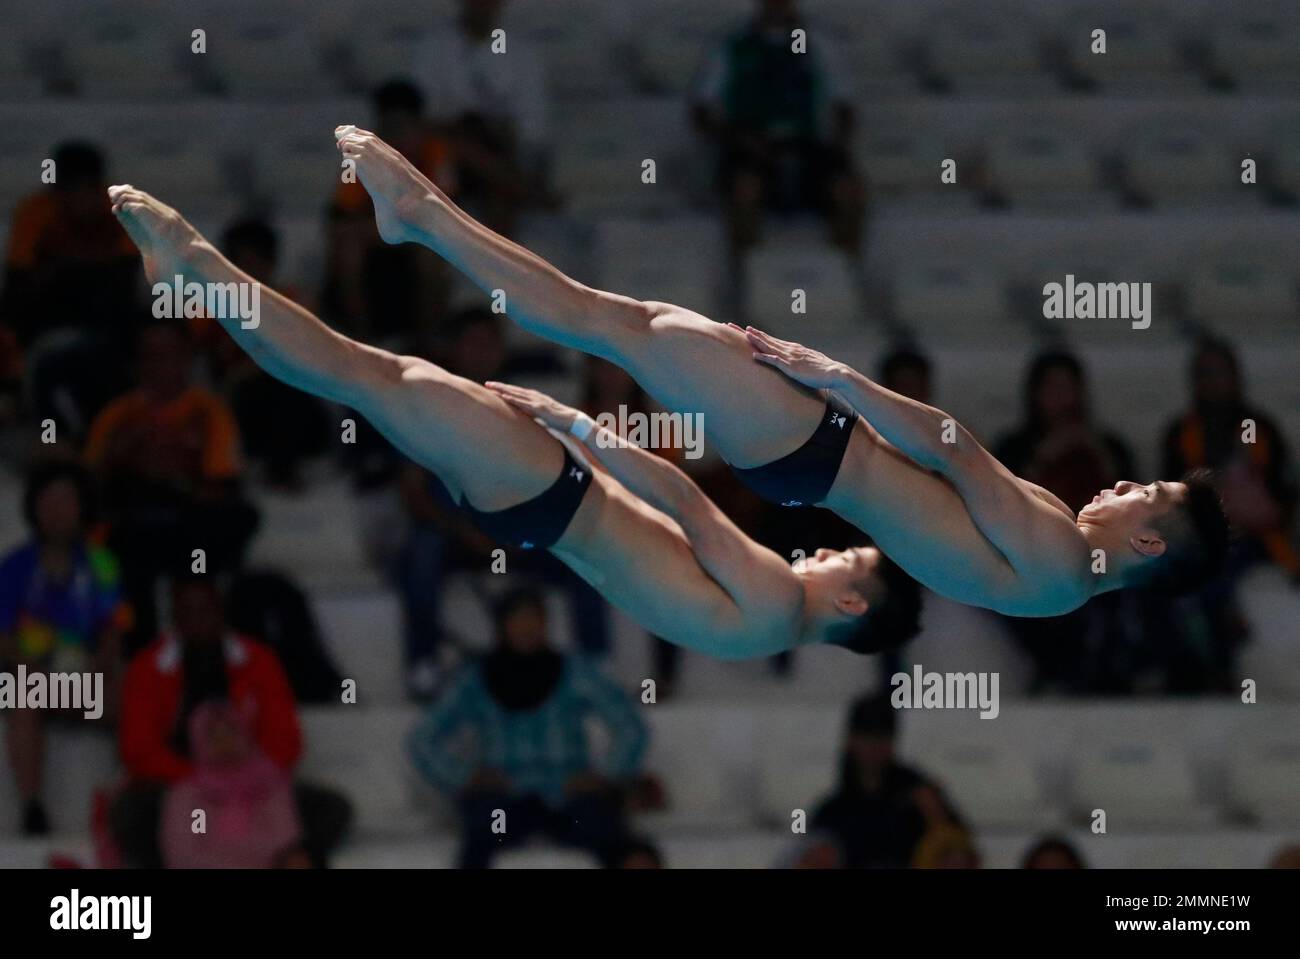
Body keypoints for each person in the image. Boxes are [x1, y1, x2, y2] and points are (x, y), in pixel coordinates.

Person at [329, 125, 1228, 618]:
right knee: (609, 321)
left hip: (820, 443)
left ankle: (421, 218)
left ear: (1146, 542)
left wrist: (839, 377)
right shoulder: (1058, 584)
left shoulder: (1069, 558)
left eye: (1142, 490)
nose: (1119, 480)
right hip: (810, 457)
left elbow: (958, 451)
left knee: (604, 320)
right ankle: (423, 216)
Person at [108, 182, 920, 659]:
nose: (827, 543)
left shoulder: (780, 601)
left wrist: (581, 426)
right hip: (543, 507)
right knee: (366, 379)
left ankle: (198, 268)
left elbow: (689, 506)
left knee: (365, 374)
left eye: (848, 555)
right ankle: (201, 273)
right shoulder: (760, 636)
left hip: (555, 487)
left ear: (853, 604)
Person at [111, 575, 351, 868]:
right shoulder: (147, 667)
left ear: (222, 611)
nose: (199, 621)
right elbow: (137, 749)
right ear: (173, 617)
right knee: (132, 813)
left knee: (328, 809)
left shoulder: (259, 659)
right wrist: (199, 779)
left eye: (207, 611)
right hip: (179, 786)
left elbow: (286, 740)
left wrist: (247, 775)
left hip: (254, 786)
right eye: (188, 612)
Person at [408, 588, 646, 868]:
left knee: (609, 835)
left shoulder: (575, 671)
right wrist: (463, 776)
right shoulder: (475, 679)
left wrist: (606, 774)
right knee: (479, 839)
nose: (526, 627)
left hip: (569, 799)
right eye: (517, 619)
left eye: (534, 618)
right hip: (504, 801)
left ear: (546, 623)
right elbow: (422, 739)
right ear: (502, 626)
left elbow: (630, 726)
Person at [83, 318, 259, 651]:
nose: (159, 366)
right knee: (122, 555)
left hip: (189, 524)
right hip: (132, 526)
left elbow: (223, 485)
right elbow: (89, 489)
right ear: (137, 362)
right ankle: (138, 655)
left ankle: (206, 642)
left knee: (232, 522)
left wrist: (173, 475)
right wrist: (126, 457)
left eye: (169, 355)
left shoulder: (209, 412)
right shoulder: (117, 416)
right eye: (150, 356)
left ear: (187, 358)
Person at [0, 461, 128, 835]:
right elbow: (2, 637)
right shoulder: (14, 566)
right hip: (30, 678)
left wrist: (97, 667)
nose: (57, 511)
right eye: (48, 501)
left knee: (131, 696)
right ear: (34, 509)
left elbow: (112, 631)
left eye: (66, 501)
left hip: (83, 680)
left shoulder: (102, 563)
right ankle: (31, 807)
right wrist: (34, 669)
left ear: (82, 508)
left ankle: (130, 798)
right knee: (22, 695)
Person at [691, 0, 865, 252]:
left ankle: (841, 267)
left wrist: (835, 148)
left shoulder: (818, 44)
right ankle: (749, 267)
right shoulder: (732, 46)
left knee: (847, 189)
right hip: (749, 148)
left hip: (807, 146)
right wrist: (736, 139)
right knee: (745, 187)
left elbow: (844, 105)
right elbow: (702, 110)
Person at [795, 693, 966, 869]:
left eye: (881, 738)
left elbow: (961, 849)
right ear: (851, 742)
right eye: (867, 738)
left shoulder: (919, 798)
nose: (874, 747)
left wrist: (939, 823)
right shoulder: (834, 811)